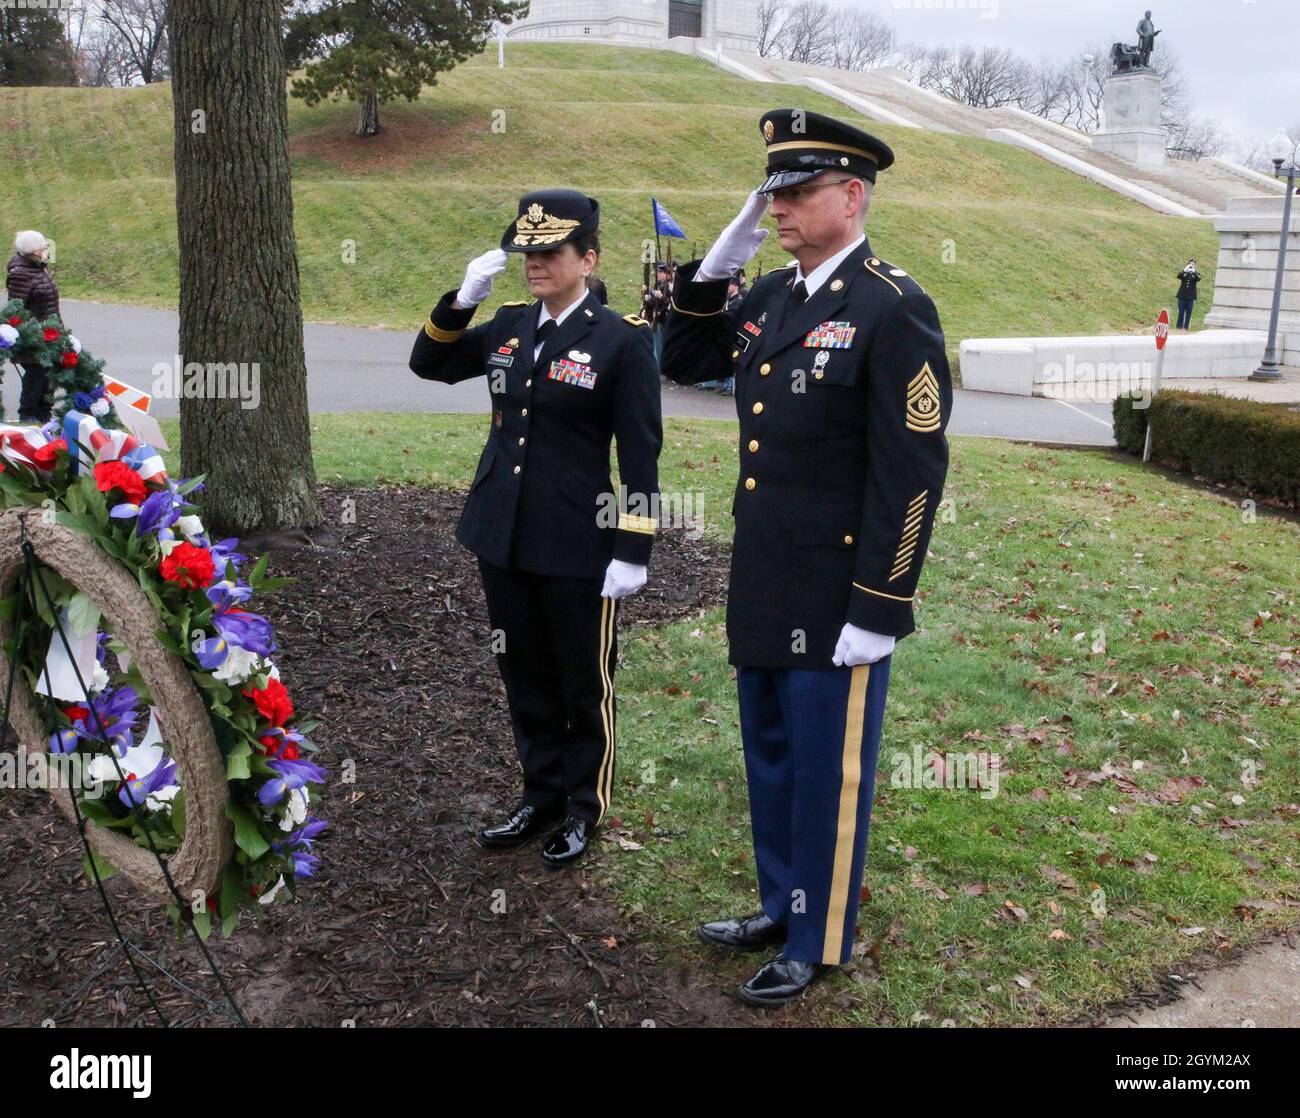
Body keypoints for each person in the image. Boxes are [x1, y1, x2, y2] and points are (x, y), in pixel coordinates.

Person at [661, 109, 952, 1006]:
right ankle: (780, 904)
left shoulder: (892, 305)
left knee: (829, 767)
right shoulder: (778, 296)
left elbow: (912, 471)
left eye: (794, 192)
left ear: (852, 195)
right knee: (775, 755)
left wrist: (879, 603)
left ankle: (818, 938)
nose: (777, 208)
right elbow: (686, 354)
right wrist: (715, 265)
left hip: (837, 586)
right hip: (766, 570)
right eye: (771, 194)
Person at [408, 189, 663, 866]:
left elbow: (640, 452)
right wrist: (460, 301)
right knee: (522, 672)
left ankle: (584, 808)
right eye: (529, 252)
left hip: (579, 539)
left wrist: (634, 545)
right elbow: (429, 365)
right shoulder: (511, 326)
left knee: (582, 681)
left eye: (550, 253)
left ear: (589, 258)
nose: (535, 264)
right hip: (503, 532)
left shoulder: (619, 341)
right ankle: (540, 794)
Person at [6, 229, 61, 423]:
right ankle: (28, 416)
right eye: (43, 245)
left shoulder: (39, 267)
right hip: (33, 338)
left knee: (49, 377)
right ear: (34, 250)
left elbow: (51, 303)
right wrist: (33, 334)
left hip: (51, 334)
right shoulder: (20, 273)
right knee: (36, 376)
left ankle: (44, 416)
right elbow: (16, 309)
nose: (46, 248)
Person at [640, 262, 672, 362]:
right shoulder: (658, 286)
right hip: (654, 319)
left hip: (661, 319)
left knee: (659, 347)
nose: (657, 274)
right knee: (655, 346)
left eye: (660, 272)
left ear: (666, 274)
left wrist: (654, 297)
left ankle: (659, 370)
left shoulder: (667, 287)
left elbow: (667, 302)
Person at [1175, 258, 1200, 330]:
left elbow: (1198, 279)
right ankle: (1179, 327)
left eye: (1193, 264)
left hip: (1191, 297)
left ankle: (1186, 327)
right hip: (1182, 296)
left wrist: (1194, 271)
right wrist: (1184, 270)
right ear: (1187, 264)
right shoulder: (1184, 273)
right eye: (1190, 264)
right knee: (1181, 312)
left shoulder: (1196, 274)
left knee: (1188, 313)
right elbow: (1178, 276)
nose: (1191, 265)